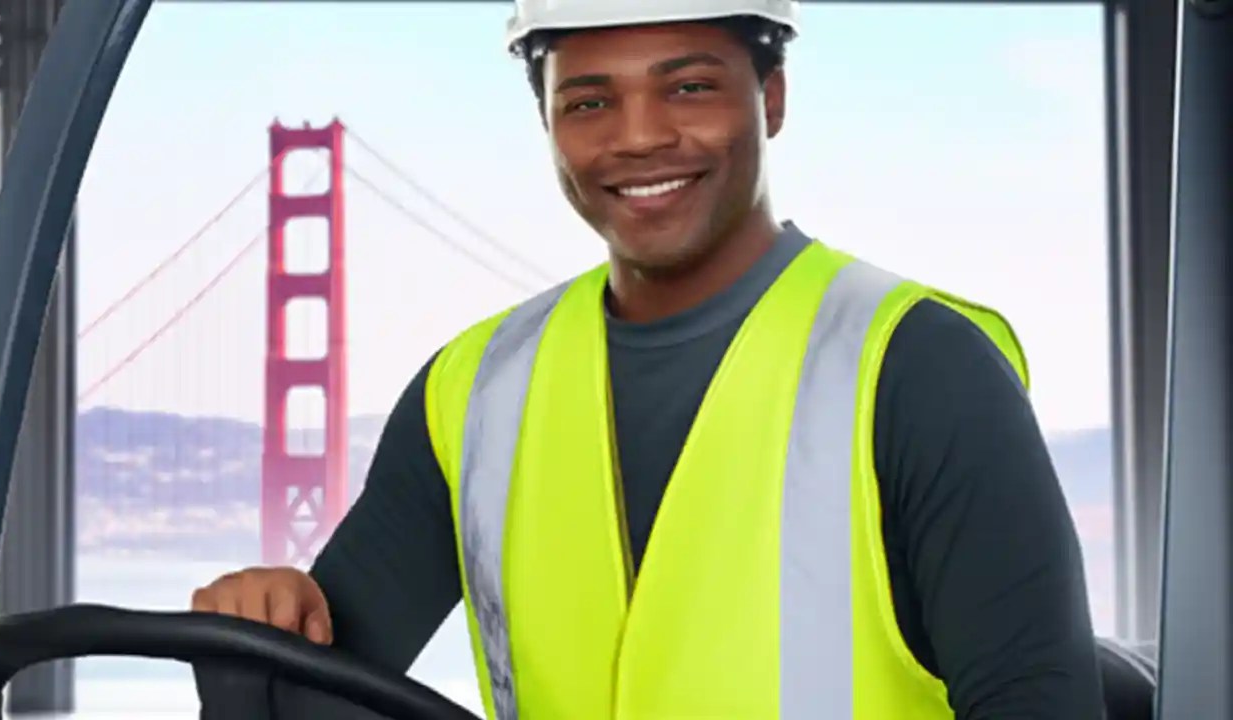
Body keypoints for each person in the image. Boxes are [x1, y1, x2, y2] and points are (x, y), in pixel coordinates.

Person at [191, 0, 1105, 717]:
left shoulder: (917, 368)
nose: (637, 136)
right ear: (547, 120)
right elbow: (321, 690)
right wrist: (262, 624)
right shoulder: (471, 392)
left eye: (689, 87)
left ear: (771, 96)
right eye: (589, 102)